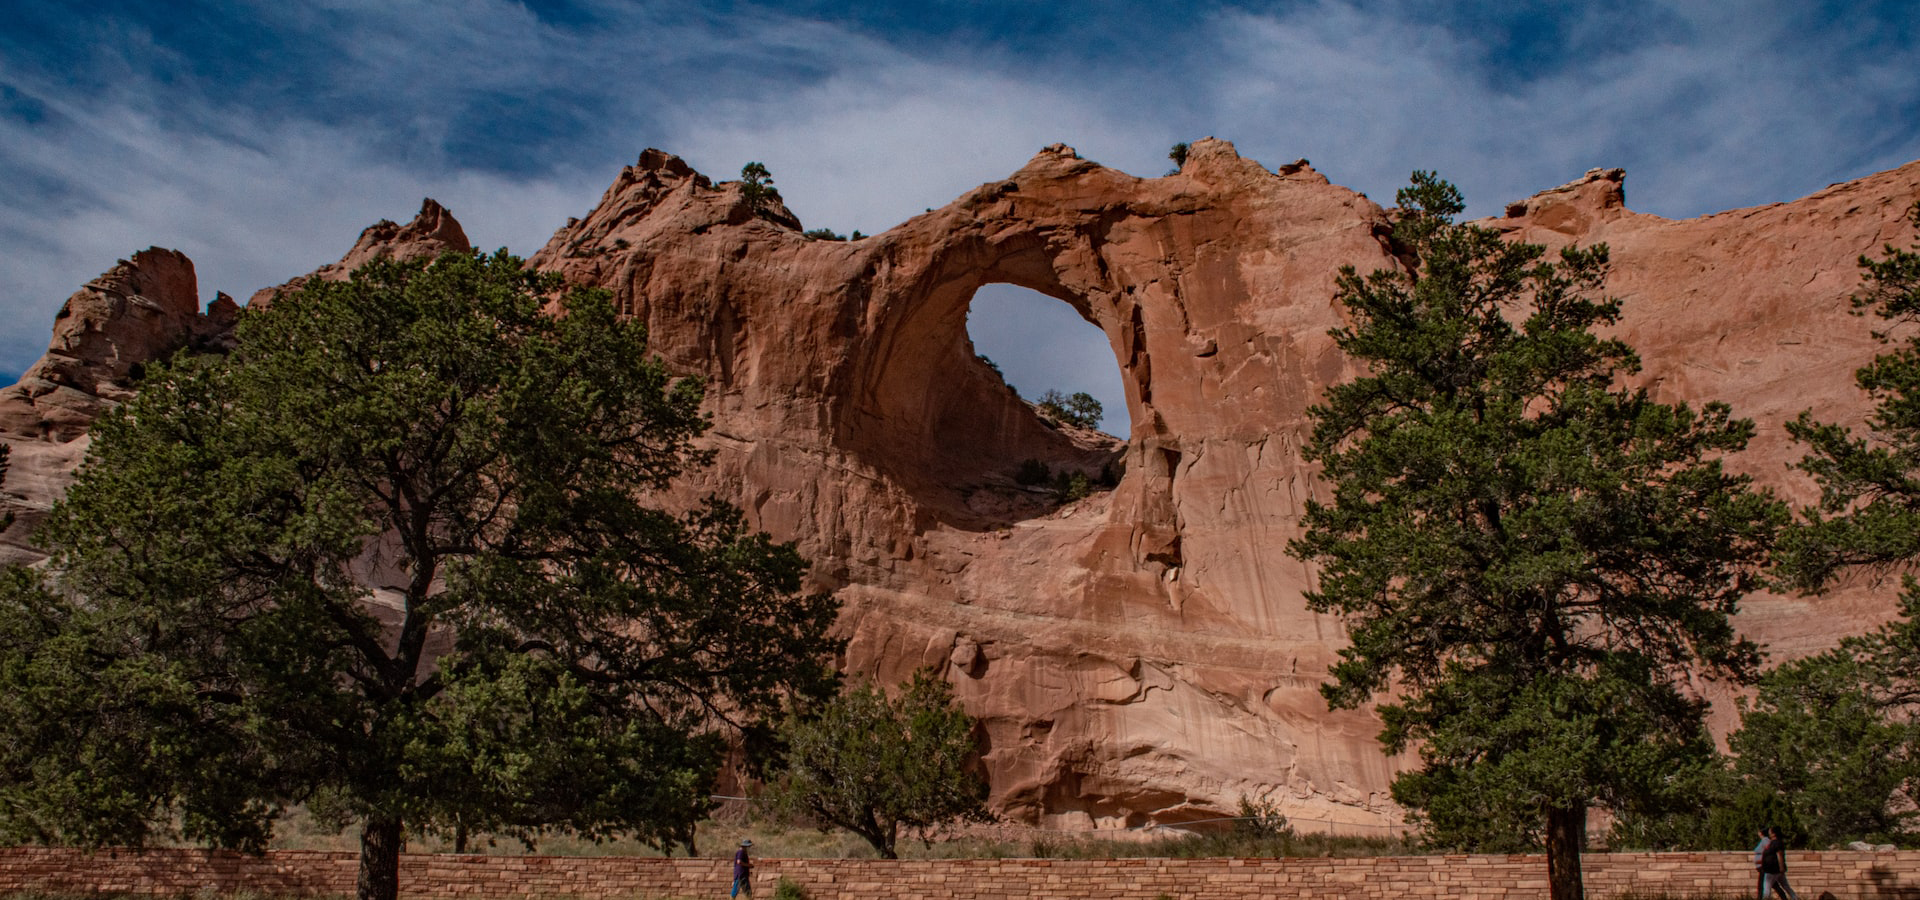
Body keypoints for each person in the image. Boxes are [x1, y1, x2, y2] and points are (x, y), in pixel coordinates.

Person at [1766, 826, 1804, 900]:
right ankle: (1795, 898)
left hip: (1774, 869)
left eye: (1770, 831)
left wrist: (1781, 867)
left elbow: (1780, 855)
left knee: (1767, 886)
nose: (1769, 833)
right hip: (1776, 869)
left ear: (1774, 834)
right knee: (1785, 886)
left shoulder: (1777, 843)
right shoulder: (1774, 843)